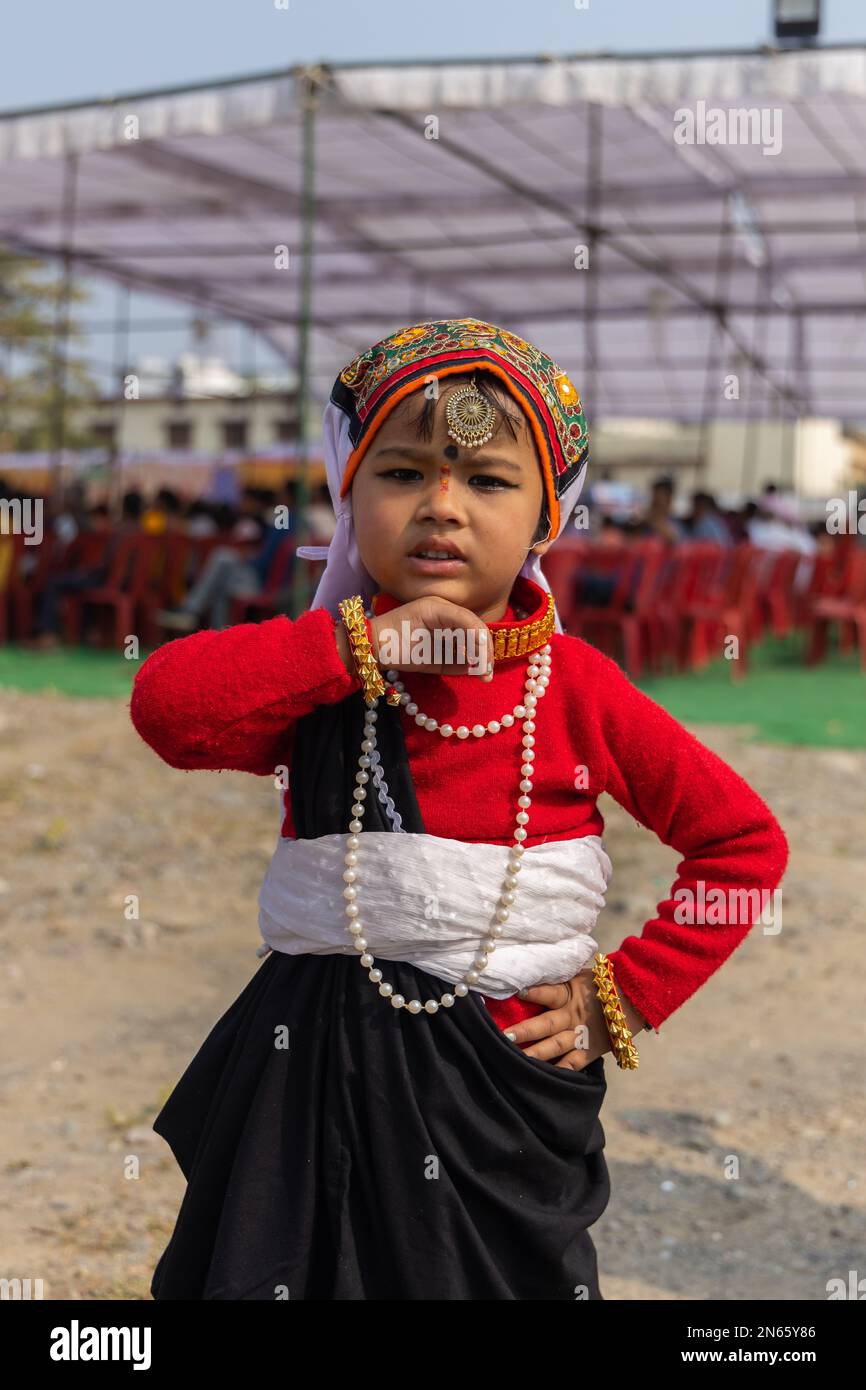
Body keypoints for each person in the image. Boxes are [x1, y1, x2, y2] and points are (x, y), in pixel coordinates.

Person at [129, 318, 789, 1301]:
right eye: (401, 474)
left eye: (485, 481)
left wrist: (624, 997)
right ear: (347, 495)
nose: (441, 506)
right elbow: (167, 710)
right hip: (304, 1072)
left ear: (545, 519)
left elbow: (743, 847)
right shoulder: (324, 670)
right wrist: (355, 646)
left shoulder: (575, 687)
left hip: (497, 1094)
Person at [156, 483, 296, 631]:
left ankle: (191, 610)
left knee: (222, 557)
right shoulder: (296, 523)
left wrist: (248, 558)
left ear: (288, 497)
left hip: (262, 584)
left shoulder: (283, 522)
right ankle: (219, 633)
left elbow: (265, 562)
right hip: (276, 584)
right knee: (222, 583)